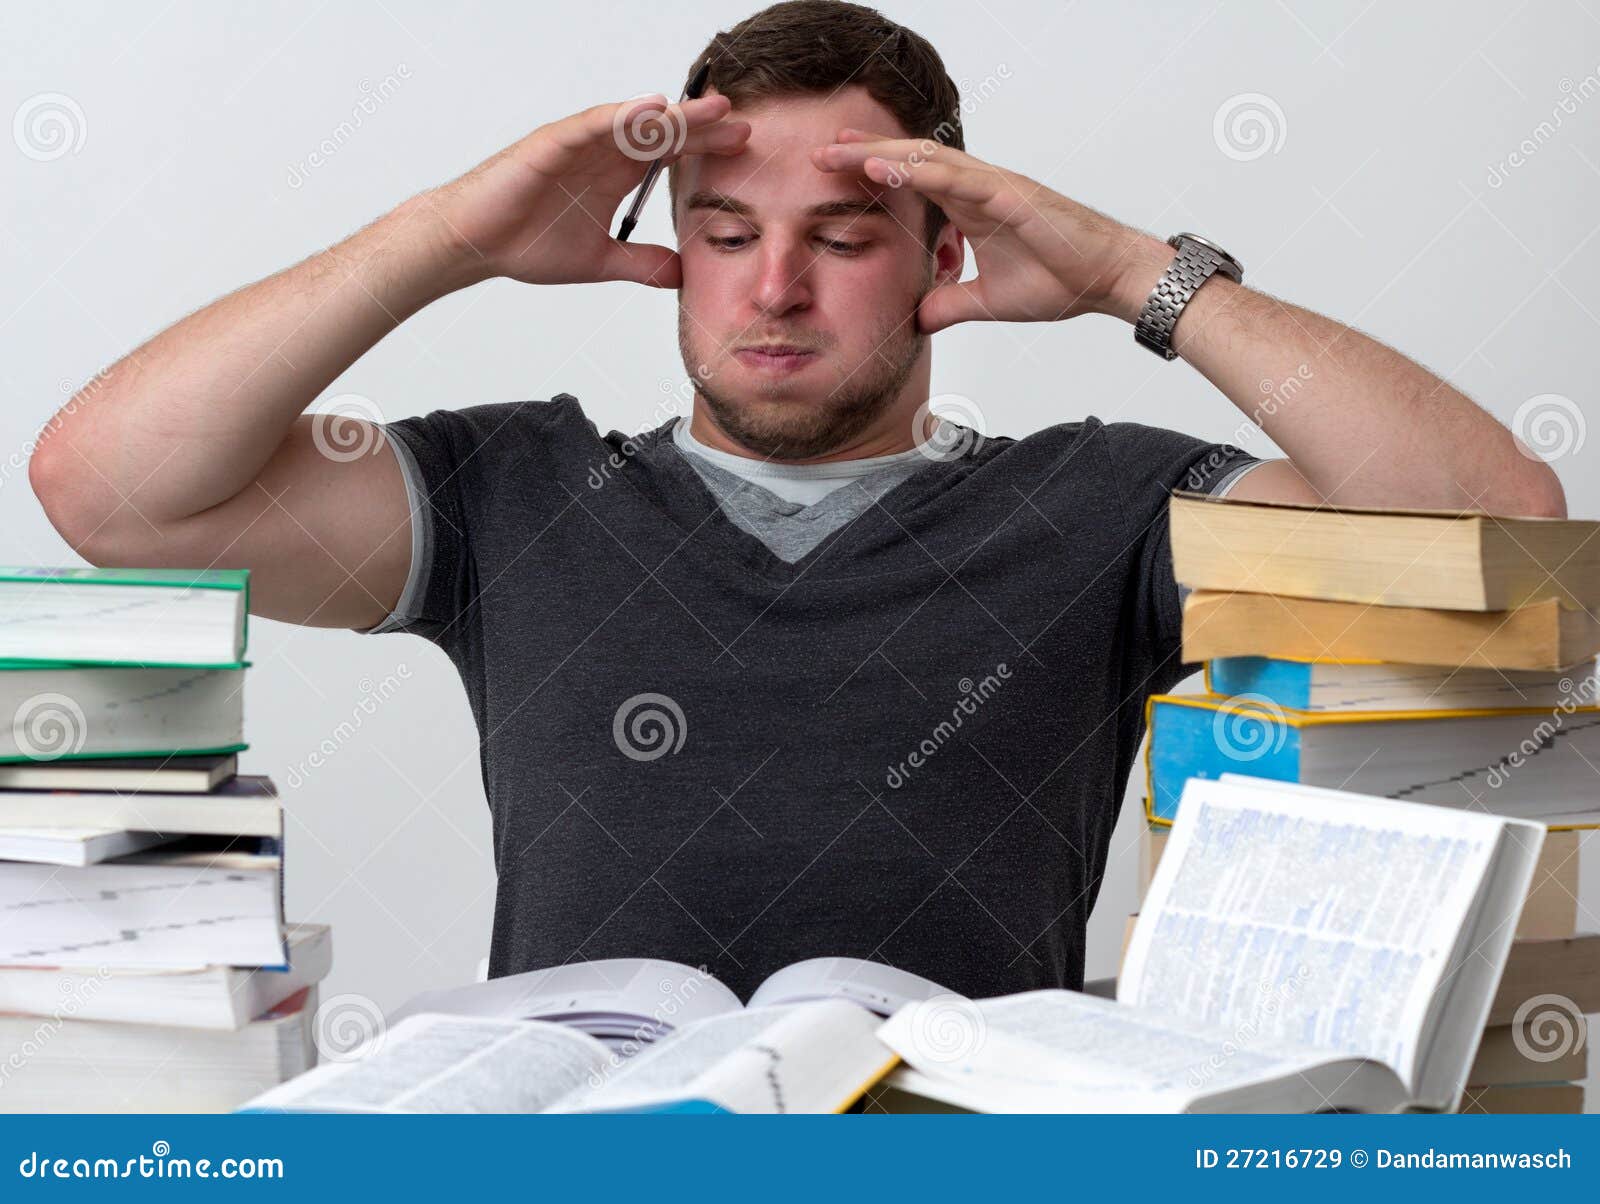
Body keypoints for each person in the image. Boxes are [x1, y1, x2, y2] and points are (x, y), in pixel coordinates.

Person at [28, 1, 1563, 1000]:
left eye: (840, 235)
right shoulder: (519, 493)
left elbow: (1496, 531)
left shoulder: (1102, 503)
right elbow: (113, 493)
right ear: (672, 246)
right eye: (724, 231)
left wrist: (1127, 277)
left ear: (941, 258)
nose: (772, 287)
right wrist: (452, 237)